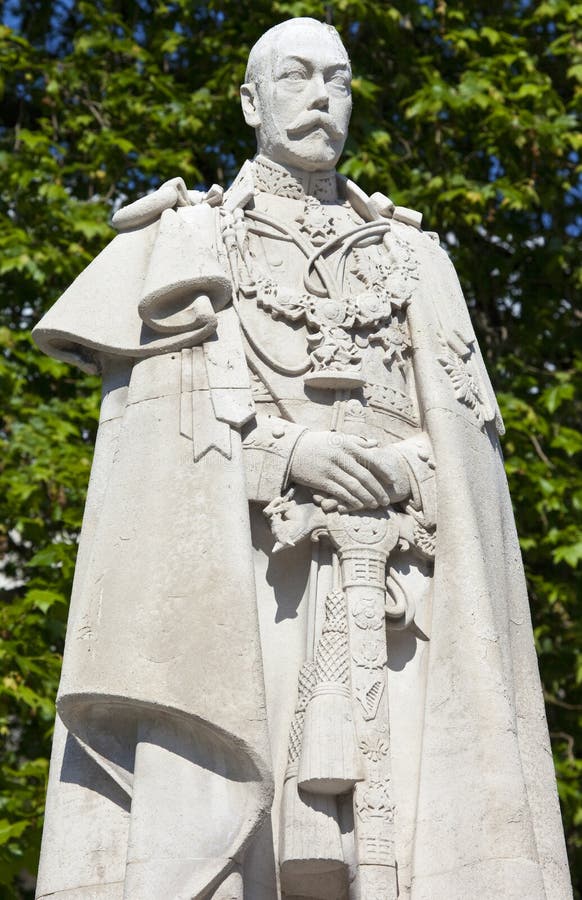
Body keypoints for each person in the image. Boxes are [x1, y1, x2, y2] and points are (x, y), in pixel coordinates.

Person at [33, 17, 571, 900]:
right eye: (297, 76)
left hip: (405, 595)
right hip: (250, 595)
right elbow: (156, 453)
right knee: (252, 856)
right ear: (251, 101)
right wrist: (288, 454)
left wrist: (410, 469)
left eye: (341, 78)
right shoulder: (190, 240)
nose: (323, 94)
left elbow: (472, 454)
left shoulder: (416, 256)